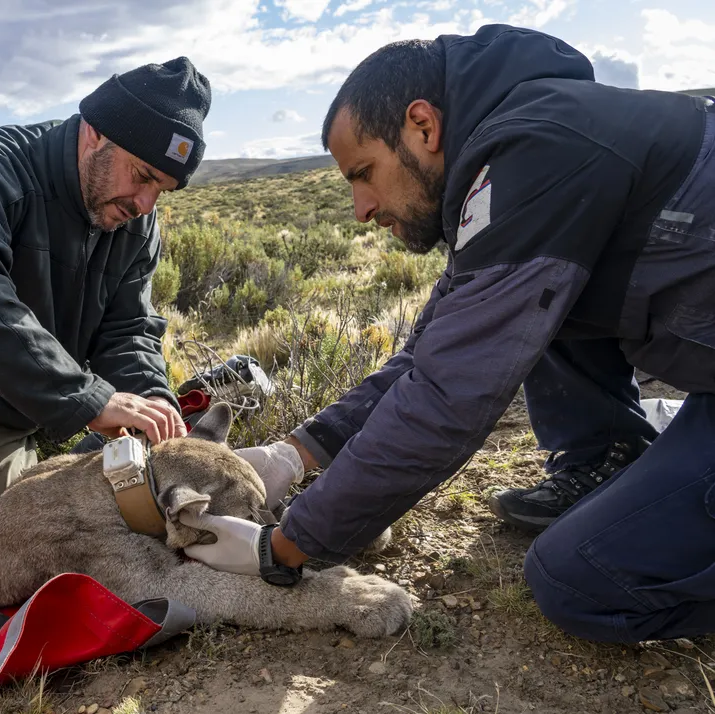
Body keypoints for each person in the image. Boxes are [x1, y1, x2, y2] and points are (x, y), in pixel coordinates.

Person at [182, 24, 715, 644]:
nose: (360, 209)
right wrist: (294, 454)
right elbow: (427, 355)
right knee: (539, 308)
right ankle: (608, 460)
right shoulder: (518, 155)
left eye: (363, 173)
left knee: (579, 579)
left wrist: (287, 546)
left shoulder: (536, 155)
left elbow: (446, 396)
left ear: (423, 127)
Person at [0, 58, 211, 515]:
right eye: (142, 175)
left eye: (164, 189)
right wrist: (89, 400)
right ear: (96, 132)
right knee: (7, 532)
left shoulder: (136, 219)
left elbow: (128, 325)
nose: (145, 204)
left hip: (55, 378)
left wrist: (149, 394)